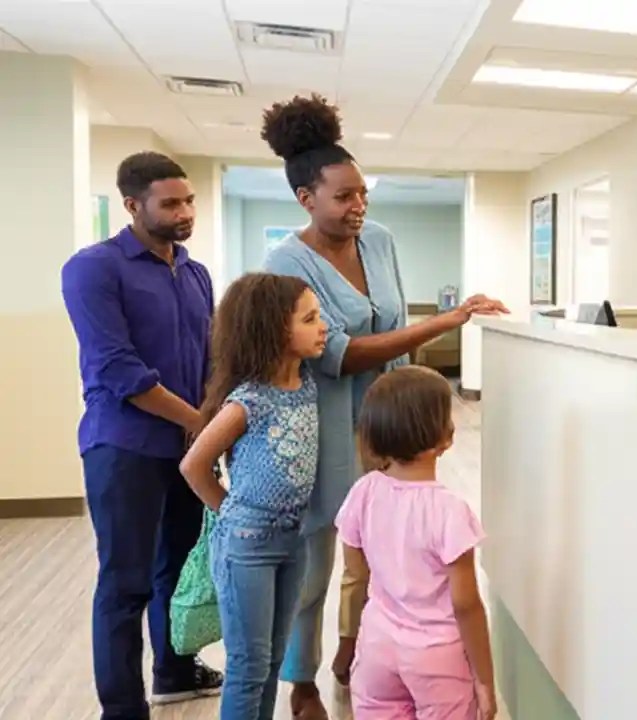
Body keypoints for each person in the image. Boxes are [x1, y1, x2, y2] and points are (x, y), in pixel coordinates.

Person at [257, 93, 508, 719]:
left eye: (363, 194)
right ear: (306, 198)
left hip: (389, 423)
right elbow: (338, 354)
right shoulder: (285, 262)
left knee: (386, 548)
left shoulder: (380, 241)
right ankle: (301, 678)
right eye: (343, 197)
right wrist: (444, 322)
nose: (358, 206)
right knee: (321, 557)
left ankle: (359, 647)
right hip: (328, 426)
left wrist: (418, 402)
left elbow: (392, 326)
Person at [61, 152, 223, 719]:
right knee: (125, 583)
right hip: (124, 448)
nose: (186, 212)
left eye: (189, 201)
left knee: (176, 571)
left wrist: (211, 425)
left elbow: (210, 358)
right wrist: (199, 422)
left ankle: (174, 672)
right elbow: (119, 370)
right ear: (132, 206)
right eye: (171, 204)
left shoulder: (194, 272)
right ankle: (123, 708)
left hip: (186, 449)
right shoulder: (93, 269)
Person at [179, 273, 327, 720]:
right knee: (248, 667)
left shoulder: (307, 384)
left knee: (272, 661)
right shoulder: (249, 401)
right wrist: (231, 514)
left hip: (293, 540)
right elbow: (193, 465)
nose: (323, 327)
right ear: (274, 331)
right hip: (248, 544)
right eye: (310, 319)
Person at [336, 366, 496, 720]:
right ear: (445, 437)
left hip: (376, 646)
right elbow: (466, 605)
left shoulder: (363, 492)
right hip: (437, 658)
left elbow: (356, 572)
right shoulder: (450, 512)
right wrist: (484, 681)